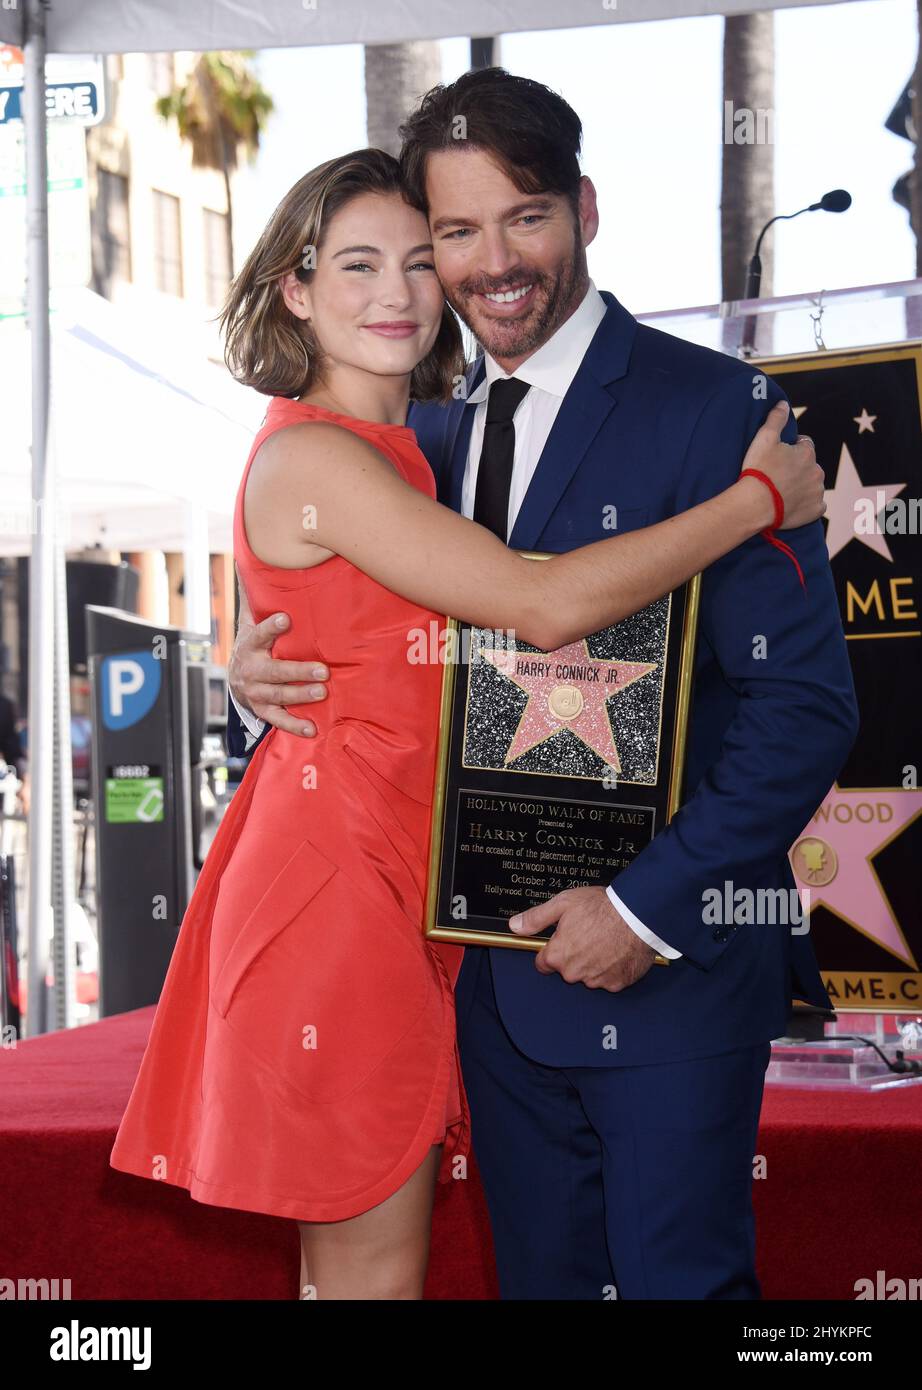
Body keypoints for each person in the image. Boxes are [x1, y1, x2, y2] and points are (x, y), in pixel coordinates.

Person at [111, 138, 824, 1302]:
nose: (396, 293)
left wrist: (256, 661)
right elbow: (541, 606)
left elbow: (358, 642)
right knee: (369, 1275)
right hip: (344, 898)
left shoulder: (420, 446)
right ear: (294, 289)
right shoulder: (327, 460)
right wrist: (754, 502)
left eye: (413, 259)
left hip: (433, 900)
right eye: (354, 266)